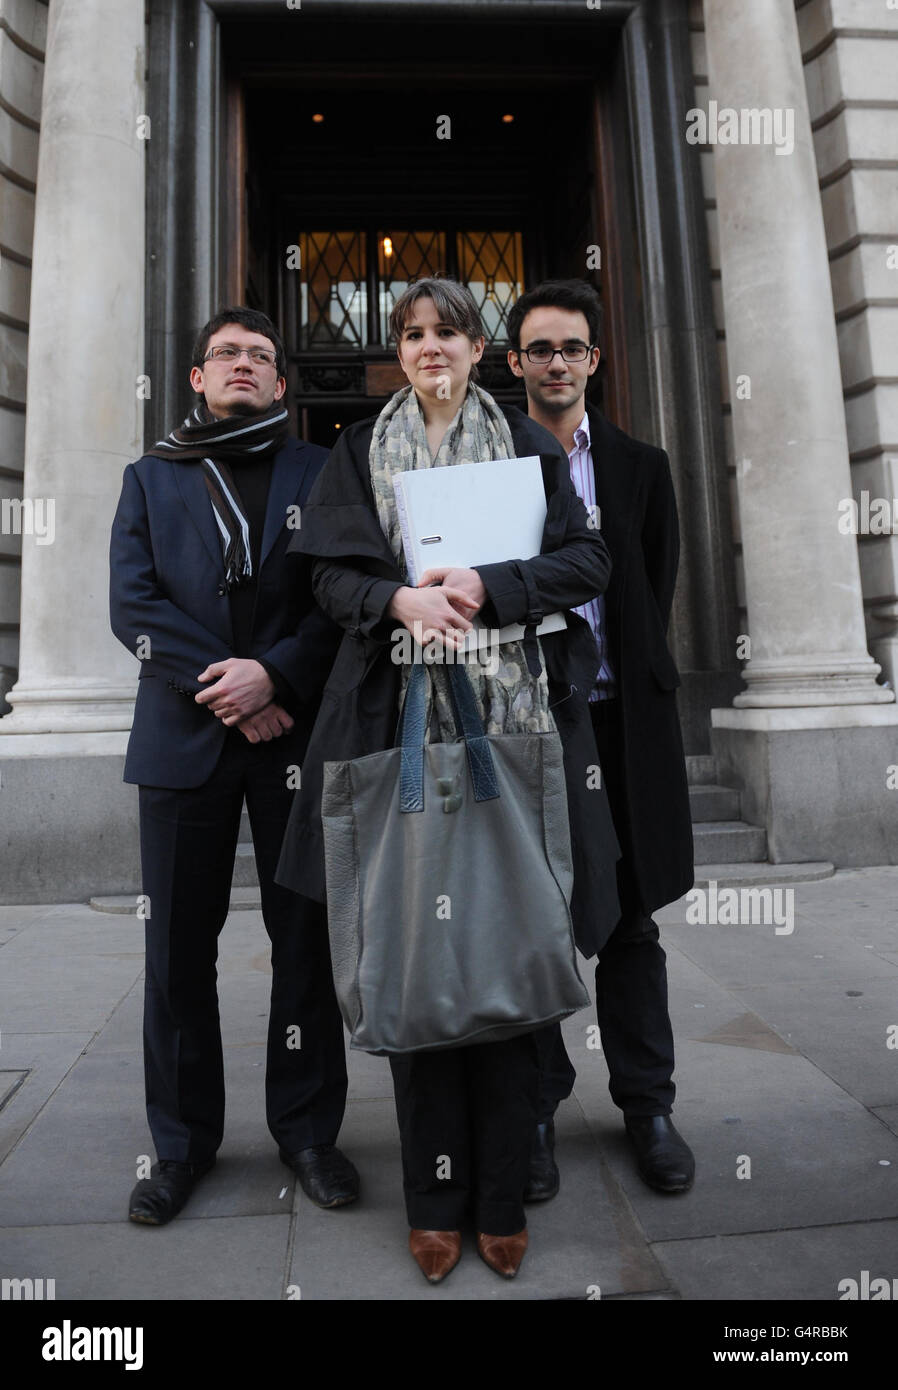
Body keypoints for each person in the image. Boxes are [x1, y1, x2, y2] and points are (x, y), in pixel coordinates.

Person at [276, 277, 621, 1283]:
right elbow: (326, 576)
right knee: (418, 957)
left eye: (449, 332)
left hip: (515, 732)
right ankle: (433, 1202)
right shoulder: (356, 450)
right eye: (413, 333)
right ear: (399, 351)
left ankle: (502, 1195)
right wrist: (398, 601)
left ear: (478, 348)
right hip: (393, 734)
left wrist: (488, 587)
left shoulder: (528, 447)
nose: (431, 346)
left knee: (509, 951)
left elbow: (589, 562)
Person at [109, 307, 358, 1225]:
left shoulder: (320, 471)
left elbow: (339, 596)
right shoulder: (151, 477)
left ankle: (309, 1134)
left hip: (296, 738)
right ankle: (181, 1147)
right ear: (198, 378)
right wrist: (235, 688)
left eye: (259, 355)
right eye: (226, 354)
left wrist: (275, 676)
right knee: (177, 953)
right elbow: (133, 606)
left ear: (281, 383)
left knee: (305, 945)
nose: (242, 364)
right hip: (184, 741)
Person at [506, 279, 695, 1198]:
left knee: (631, 918)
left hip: (621, 724)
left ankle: (648, 1107)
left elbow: (653, 585)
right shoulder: (491, 460)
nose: (557, 363)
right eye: (540, 348)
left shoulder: (642, 465)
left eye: (572, 347)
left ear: (595, 360)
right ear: (516, 362)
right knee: (534, 919)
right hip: (528, 725)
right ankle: (537, 1112)